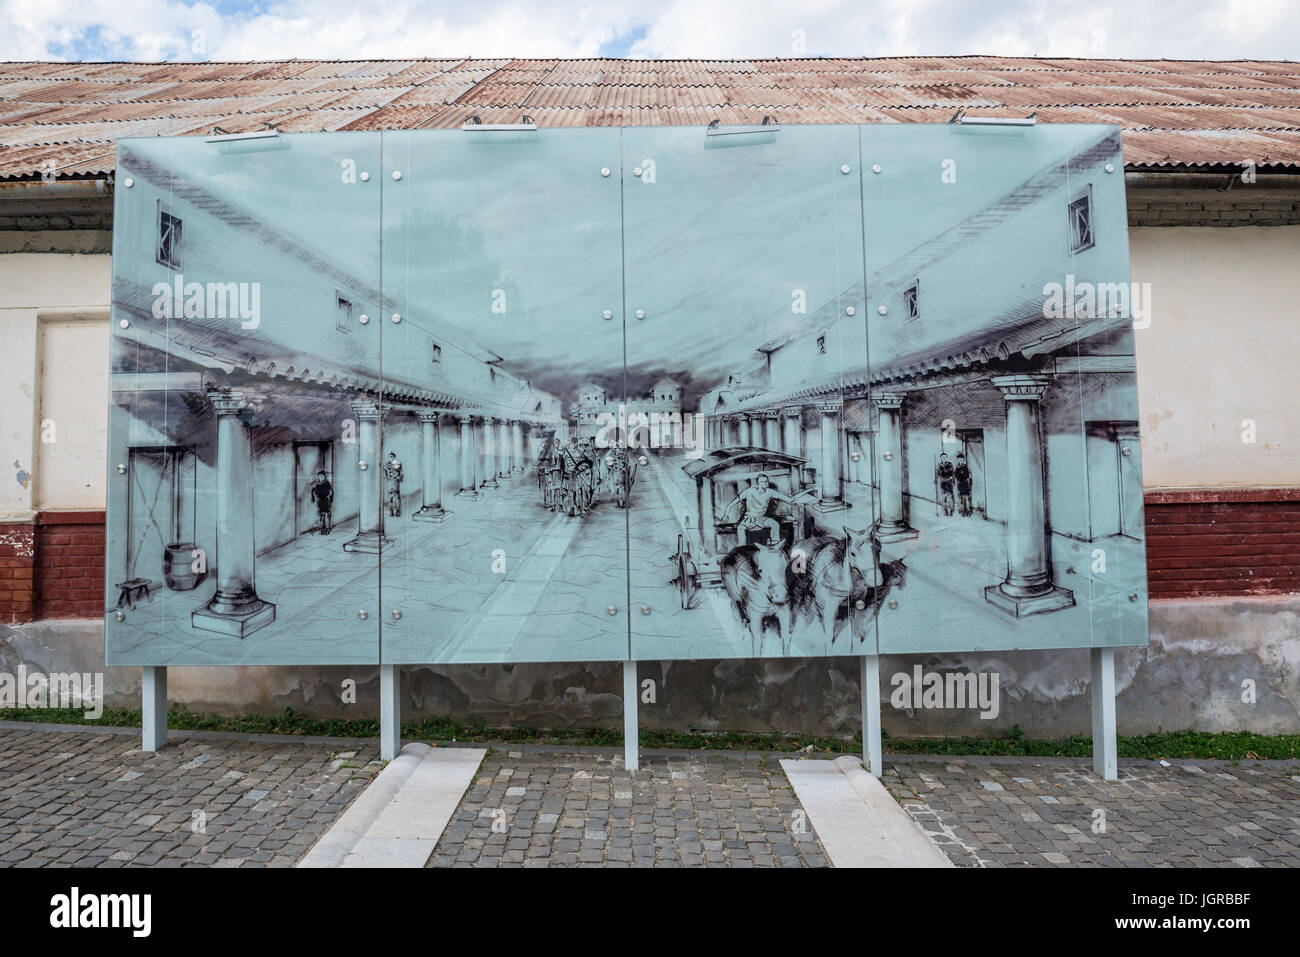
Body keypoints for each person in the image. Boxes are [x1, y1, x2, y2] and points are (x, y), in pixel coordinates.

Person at [720, 473, 809, 545]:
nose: (766, 483)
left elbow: (791, 500)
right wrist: (724, 516)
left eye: (766, 481)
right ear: (758, 483)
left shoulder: (770, 492)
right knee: (741, 528)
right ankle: (742, 550)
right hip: (749, 520)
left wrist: (807, 491)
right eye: (763, 482)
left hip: (762, 518)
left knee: (775, 525)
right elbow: (732, 504)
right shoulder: (749, 491)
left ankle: (775, 547)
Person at [309, 468, 334, 535]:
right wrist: (313, 497)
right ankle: (321, 528)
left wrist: (331, 498)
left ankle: (327, 527)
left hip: (326, 499)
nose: (321, 477)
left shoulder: (327, 483)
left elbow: (331, 491)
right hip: (319, 500)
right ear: (318, 476)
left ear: (324, 476)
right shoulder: (316, 483)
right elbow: (313, 490)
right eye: (320, 476)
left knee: (327, 513)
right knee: (320, 514)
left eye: (322, 476)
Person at [383, 451, 403, 517]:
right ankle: (391, 511)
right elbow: (384, 475)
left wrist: (399, 477)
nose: (391, 458)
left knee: (397, 497)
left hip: (396, 482)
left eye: (392, 457)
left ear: (395, 457)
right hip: (389, 482)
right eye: (390, 457)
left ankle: (398, 510)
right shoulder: (386, 465)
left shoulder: (398, 464)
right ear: (388, 458)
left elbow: (401, 473)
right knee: (390, 497)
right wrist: (387, 477)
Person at [936, 452, 955, 517]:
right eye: (942, 457)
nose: (943, 458)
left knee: (951, 496)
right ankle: (945, 510)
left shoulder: (949, 464)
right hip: (943, 482)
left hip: (949, 481)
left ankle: (952, 510)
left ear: (946, 457)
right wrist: (936, 478)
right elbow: (937, 474)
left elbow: (952, 472)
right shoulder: (939, 465)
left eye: (945, 457)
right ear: (941, 458)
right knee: (944, 497)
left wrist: (951, 478)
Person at [955, 452, 973, 517]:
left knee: (967, 497)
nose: (960, 460)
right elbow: (956, 476)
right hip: (960, 484)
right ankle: (962, 510)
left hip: (965, 483)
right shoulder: (956, 467)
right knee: (961, 497)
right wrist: (957, 482)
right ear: (957, 460)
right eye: (959, 459)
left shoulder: (966, 466)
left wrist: (970, 482)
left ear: (963, 459)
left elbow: (969, 475)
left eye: (961, 459)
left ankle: (968, 510)